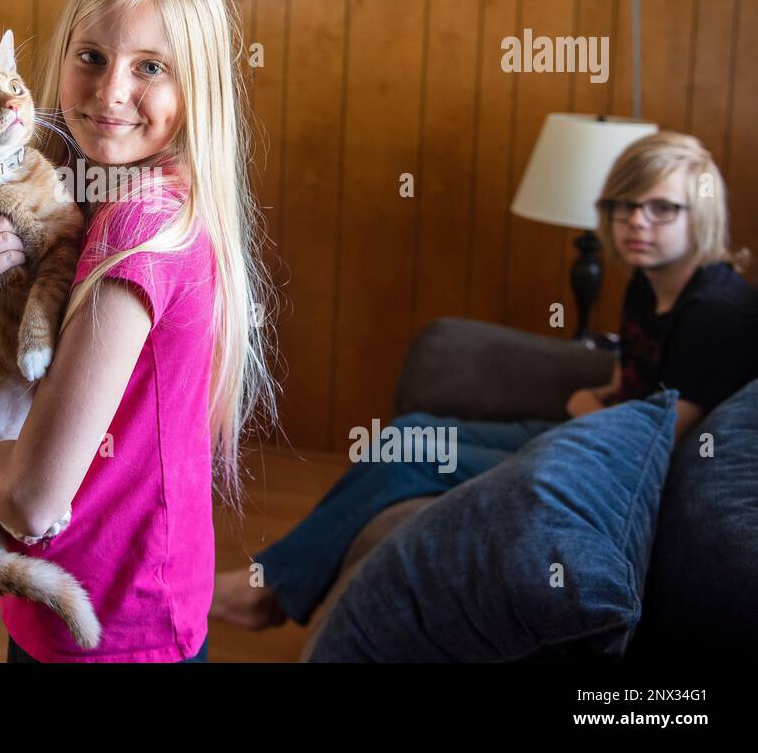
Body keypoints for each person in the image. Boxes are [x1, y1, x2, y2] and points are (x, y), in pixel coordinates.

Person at [211, 131, 758, 632]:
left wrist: (587, 405)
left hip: (617, 477)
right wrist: (601, 395)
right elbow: (629, 377)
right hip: (593, 440)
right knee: (412, 432)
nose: (638, 221)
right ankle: (272, 582)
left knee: (410, 456)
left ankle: (266, 593)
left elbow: (665, 439)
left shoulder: (718, 313)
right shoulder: (650, 281)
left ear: (700, 215)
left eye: (662, 208)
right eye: (626, 205)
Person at [0, 0, 281, 661]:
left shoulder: (137, 227)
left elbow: (34, 499)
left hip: (108, 620)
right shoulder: (126, 197)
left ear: (196, 88)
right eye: (93, 55)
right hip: (118, 589)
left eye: (150, 66)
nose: (110, 91)